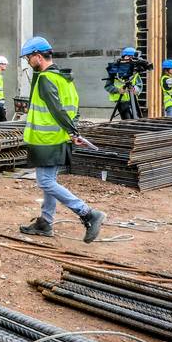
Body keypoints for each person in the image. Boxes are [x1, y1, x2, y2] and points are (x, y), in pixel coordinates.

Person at [17, 36, 105, 243]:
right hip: (57, 139)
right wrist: (71, 132)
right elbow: (72, 109)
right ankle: (45, 222)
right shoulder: (65, 79)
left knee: (45, 182)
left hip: (46, 140)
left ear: (38, 56)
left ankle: (88, 213)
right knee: (49, 181)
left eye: (29, 58)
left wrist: (72, 131)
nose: (28, 62)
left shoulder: (46, 79)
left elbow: (57, 110)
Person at [107, 47, 143, 120]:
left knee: (137, 118)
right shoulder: (115, 69)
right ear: (123, 57)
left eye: (132, 57)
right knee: (127, 119)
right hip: (121, 100)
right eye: (128, 57)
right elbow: (108, 86)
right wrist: (118, 90)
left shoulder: (135, 71)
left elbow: (139, 85)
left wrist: (135, 89)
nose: (130, 59)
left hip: (132, 99)